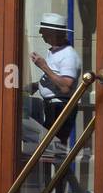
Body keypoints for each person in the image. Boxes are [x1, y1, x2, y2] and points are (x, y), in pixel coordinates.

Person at [29, 13, 82, 144]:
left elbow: (65, 86)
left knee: (52, 147)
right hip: (51, 106)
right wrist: (37, 85)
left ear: (54, 33)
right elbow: (55, 77)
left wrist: (43, 66)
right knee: (47, 148)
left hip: (59, 107)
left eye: (44, 30)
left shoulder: (68, 55)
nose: (40, 33)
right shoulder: (54, 52)